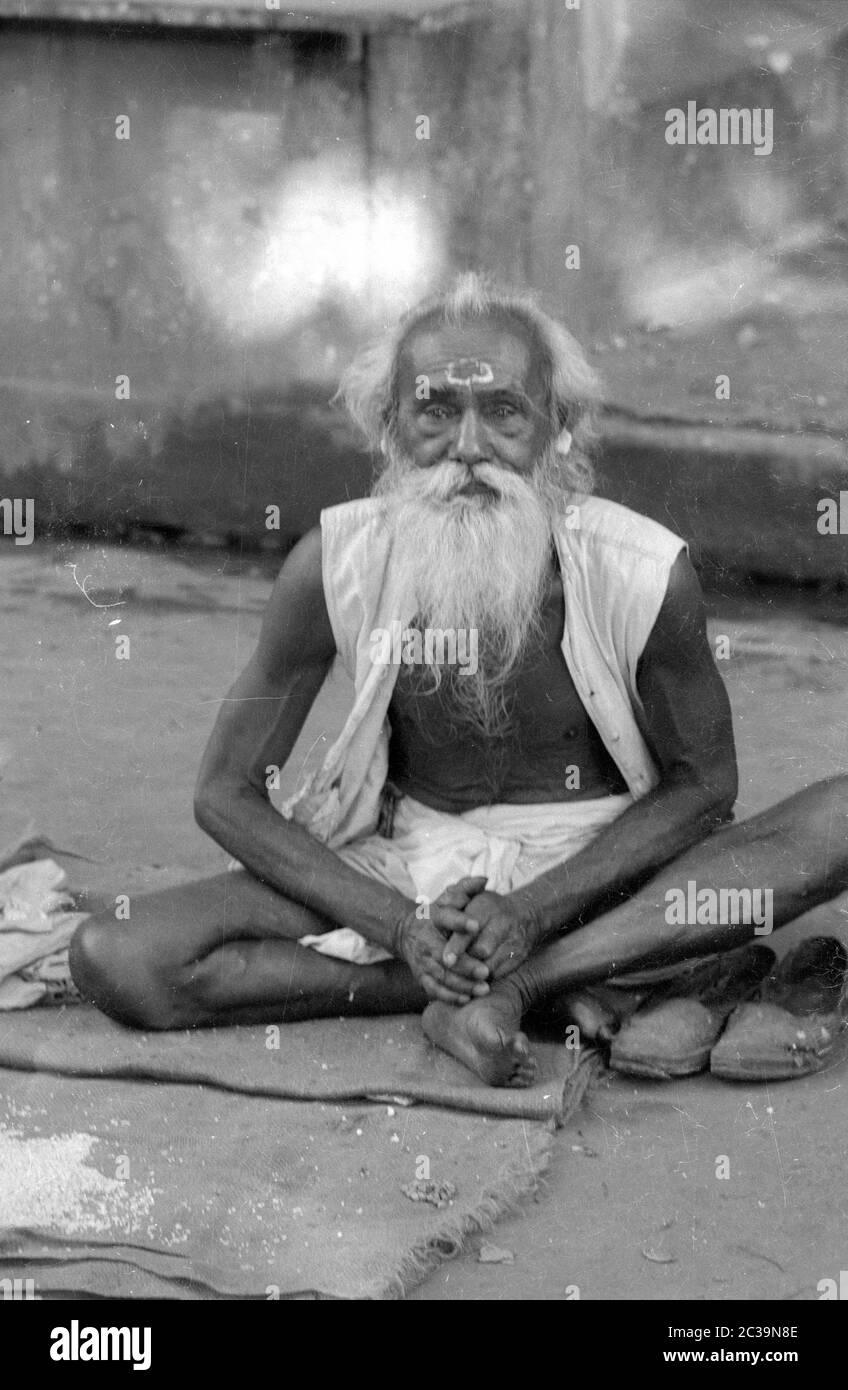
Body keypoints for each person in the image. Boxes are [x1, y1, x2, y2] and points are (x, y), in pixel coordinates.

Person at [69, 273, 848, 1086]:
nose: (469, 447)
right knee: (119, 956)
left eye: (504, 413)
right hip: (407, 871)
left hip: (604, 873)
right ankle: (524, 982)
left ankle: (519, 984)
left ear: (560, 431)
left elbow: (703, 787)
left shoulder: (644, 572)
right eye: (436, 411)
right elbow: (224, 793)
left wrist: (532, 914)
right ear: (389, 429)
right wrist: (402, 926)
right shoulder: (334, 565)